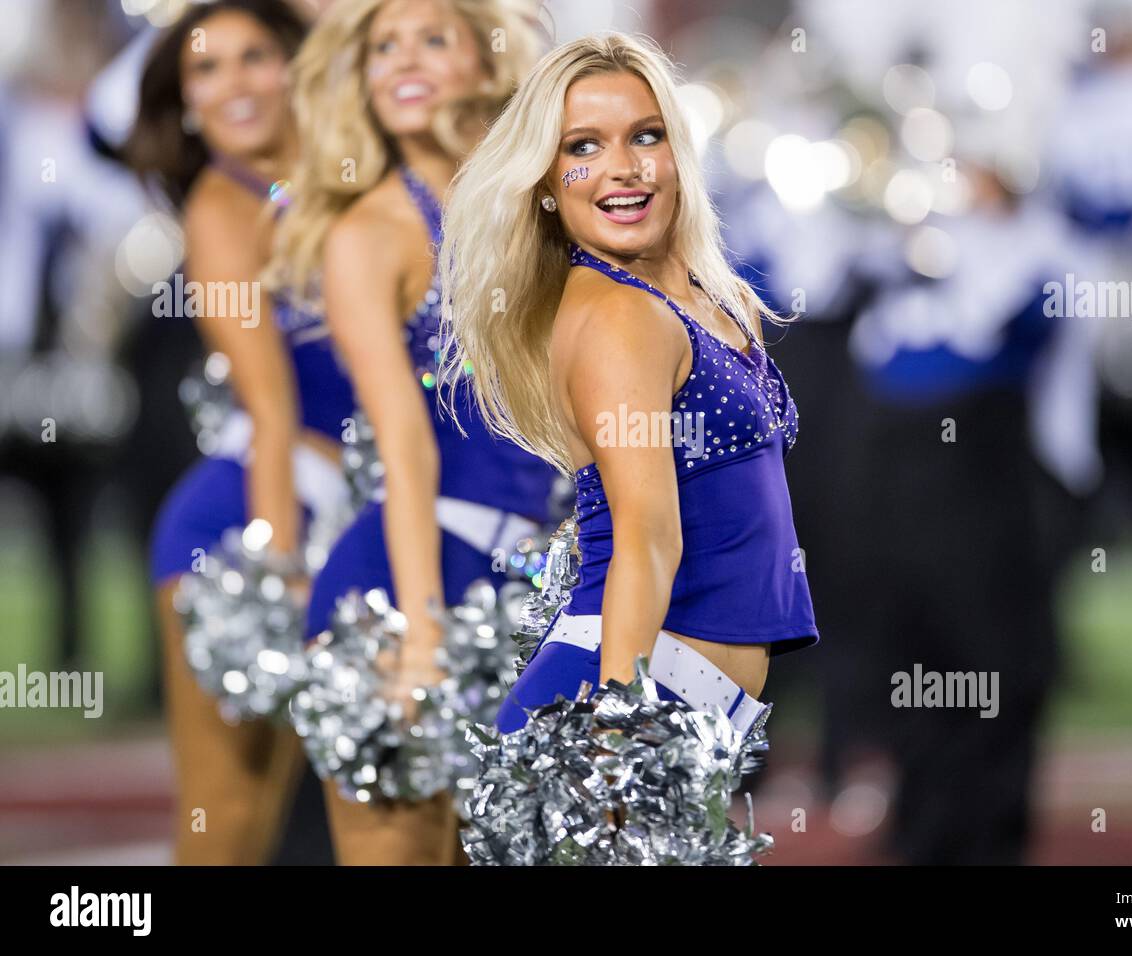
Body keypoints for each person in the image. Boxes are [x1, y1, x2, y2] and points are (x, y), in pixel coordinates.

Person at [437, 32, 818, 741]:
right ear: (547, 183)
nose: (623, 169)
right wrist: (618, 737)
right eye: (583, 147)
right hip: (625, 700)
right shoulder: (617, 314)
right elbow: (644, 537)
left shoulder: (722, 295)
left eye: (646, 136)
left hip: (688, 710)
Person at [271, 0, 552, 865]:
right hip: (399, 584)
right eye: (383, 45)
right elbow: (405, 442)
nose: (405, 60)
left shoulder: (531, 206)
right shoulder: (368, 231)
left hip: (528, 575)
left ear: (485, 61)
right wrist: (422, 636)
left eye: (434, 38)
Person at [125, 0, 348, 865]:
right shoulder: (221, 211)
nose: (234, 84)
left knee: (297, 808)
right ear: (182, 102)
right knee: (226, 821)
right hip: (245, 535)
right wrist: (280, 568)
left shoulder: (352, 183)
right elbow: (270, 406)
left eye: (254, 56)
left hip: (348, 524)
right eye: (205, 69)